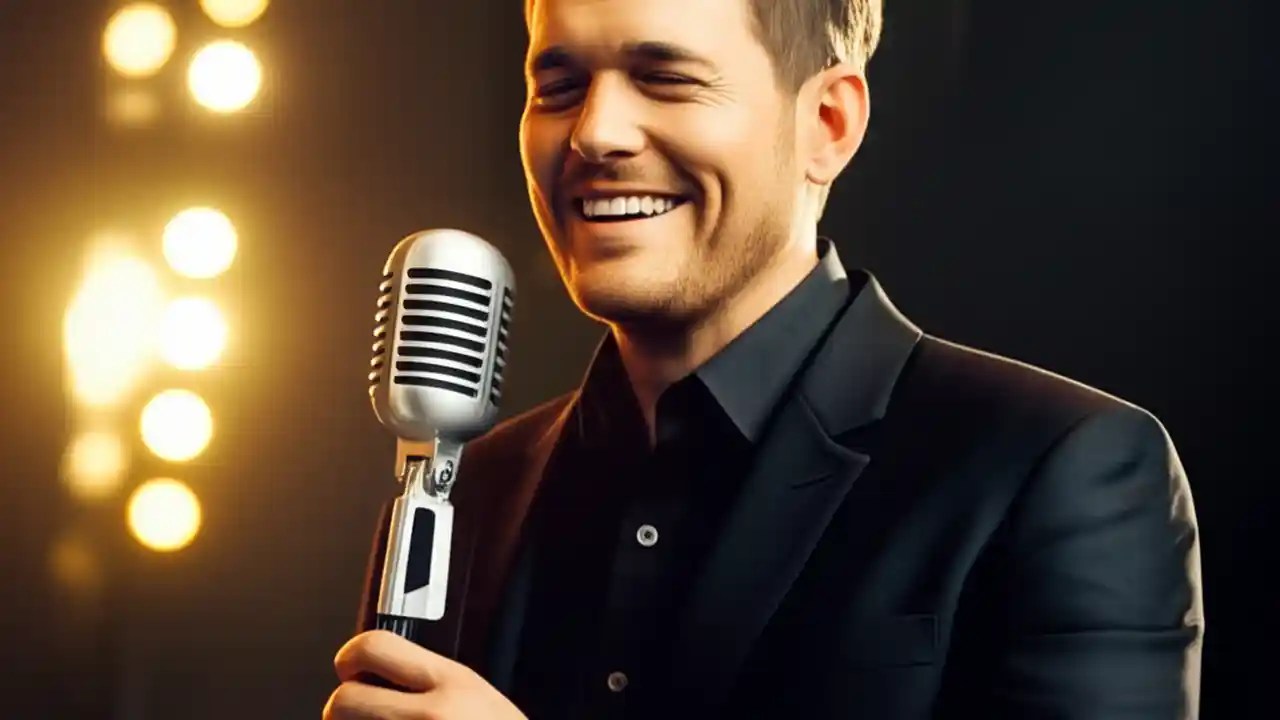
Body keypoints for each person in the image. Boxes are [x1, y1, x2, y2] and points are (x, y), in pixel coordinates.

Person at [324, 0, 1205, 717]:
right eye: (558, 84)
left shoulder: (1057, 470)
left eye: (664, 78)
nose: (594, 133)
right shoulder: (464, 491)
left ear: (827, 123)